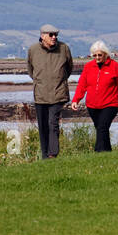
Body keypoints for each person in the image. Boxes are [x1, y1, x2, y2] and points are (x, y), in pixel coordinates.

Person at [71, 41, 118, 152]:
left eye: (99, 55)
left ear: (105, 55)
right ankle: (107, 152)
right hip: (92, 105)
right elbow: (82, 85)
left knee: (102, 127)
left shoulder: (114, 66)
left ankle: (98, 152)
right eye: (95, 55)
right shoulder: (88, 66)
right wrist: (76, 100)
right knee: (101, 129)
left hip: (110, 104)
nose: (97, 57)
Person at [26, 24, 73, 159]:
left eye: (56, 35)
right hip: (40, 94)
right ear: (42, 36)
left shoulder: (64, 48)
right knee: (43, 126)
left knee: (53, 123)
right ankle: (45, 155)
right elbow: (30, 70)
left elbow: (69, 68)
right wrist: (39, 81)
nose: (54, 37)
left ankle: (53, 154)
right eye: (51, 35)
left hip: (58, 93)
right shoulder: (33, 50)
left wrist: (60, 80)